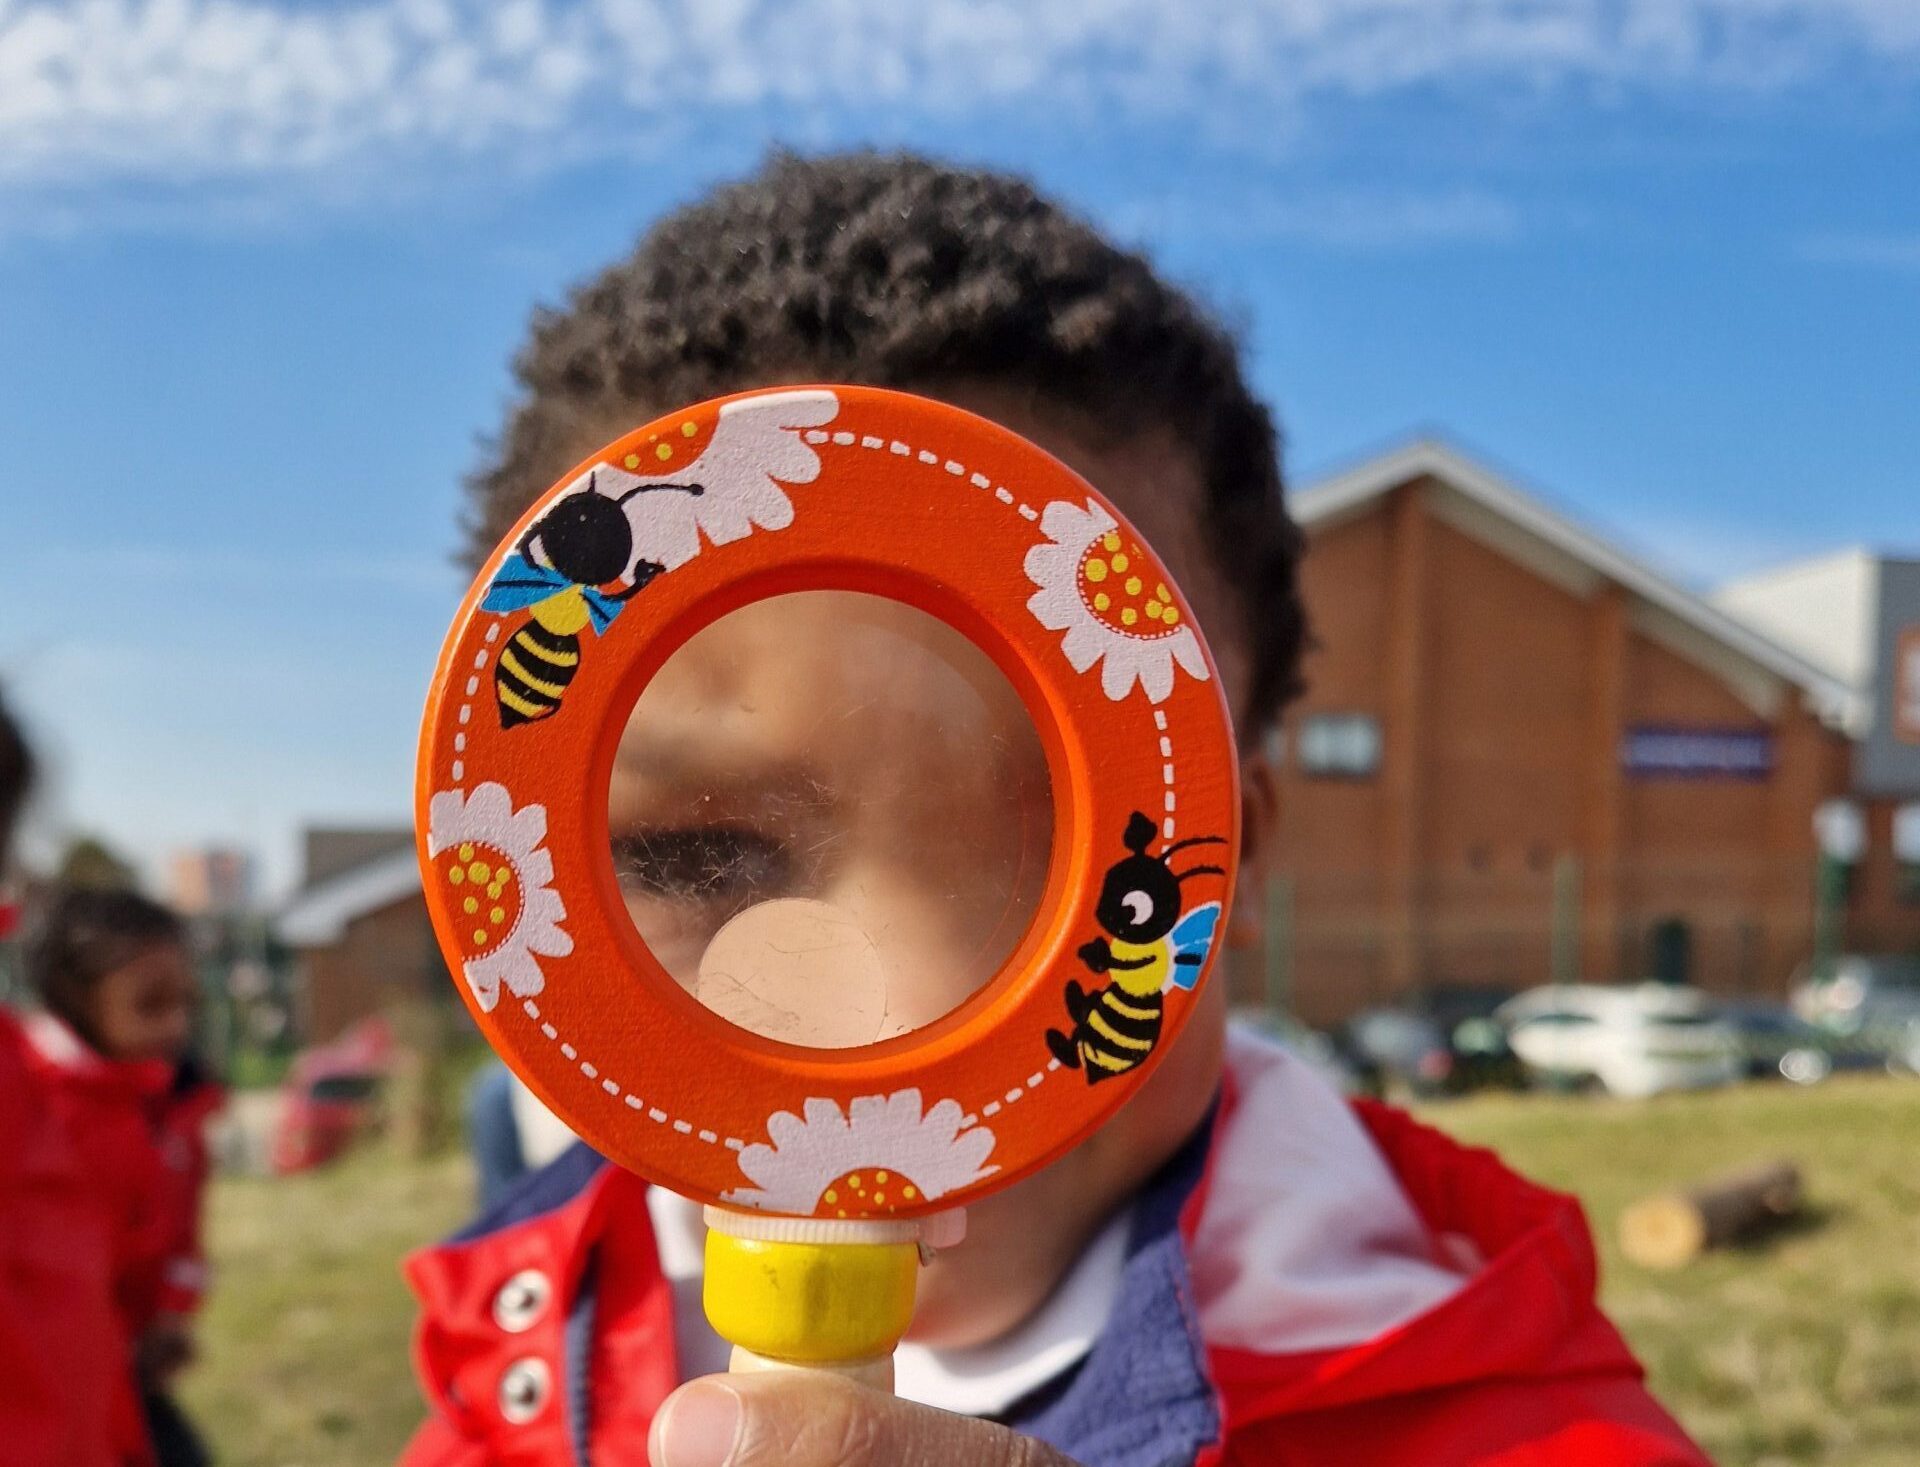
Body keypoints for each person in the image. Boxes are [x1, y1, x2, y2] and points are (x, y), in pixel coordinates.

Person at [404, 152, 1710, 1467]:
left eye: (1047, 842)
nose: (902, 1018)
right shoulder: (508, 1382)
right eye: (697, 852)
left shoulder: (1530, 1432)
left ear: (1238, 848)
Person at [21, 886, 222, 1467]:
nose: (178, 1023)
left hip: (132, 1366)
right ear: (74, 1002)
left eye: (187, 1000)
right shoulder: (37, 1110)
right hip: (59, 1380)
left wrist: (170, 1313)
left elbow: (183, 1228)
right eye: (151, 1003)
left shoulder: (175, 1102)